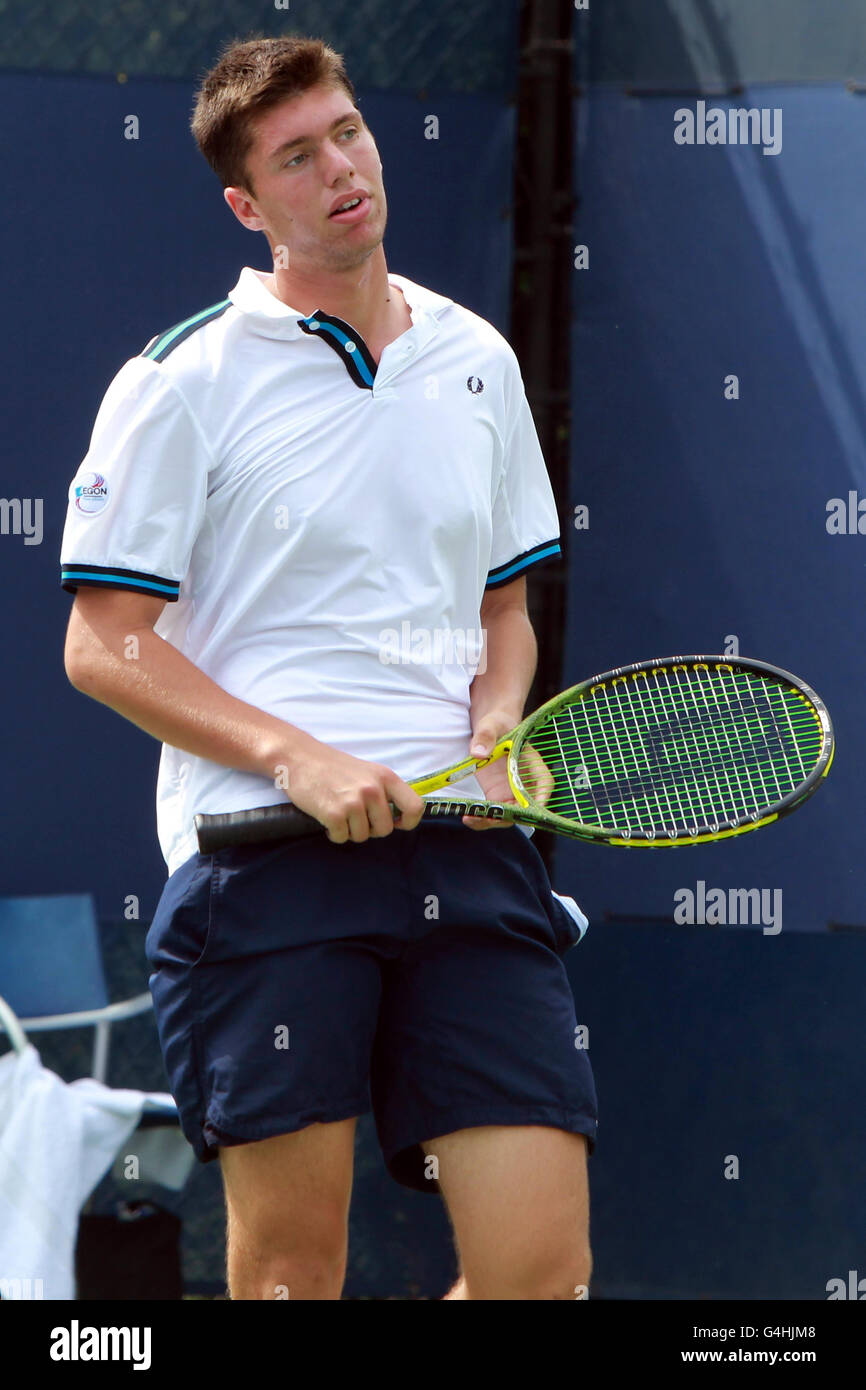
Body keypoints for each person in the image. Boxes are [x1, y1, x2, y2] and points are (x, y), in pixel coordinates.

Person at [59, 34, 597, 1300]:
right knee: (294, 1278)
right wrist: (299, 759)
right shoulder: (177, 382)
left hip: (466, 850)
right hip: (263, 861)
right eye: (296, 158)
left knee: (540, 1270)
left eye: (346, 132)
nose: (339, 169)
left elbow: (500, 609)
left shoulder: (478, 360)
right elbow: (102, 644)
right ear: (250, 208)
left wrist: (500, 721)